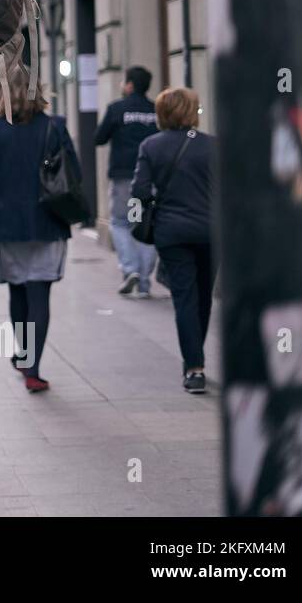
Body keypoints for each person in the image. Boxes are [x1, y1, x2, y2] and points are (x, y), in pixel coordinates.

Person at [0, 77, 80, 393]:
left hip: (9, 222)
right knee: (39, 295)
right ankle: (32, 367)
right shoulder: (56, 127)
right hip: (48, 220)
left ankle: (24, 353)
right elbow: (72, 172)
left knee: (17, 291)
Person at [132, 87, 217, 394]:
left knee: (184, 297)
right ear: (192, 111)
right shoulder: (212, 145)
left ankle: (194, 367)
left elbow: (139, 191)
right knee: (204, 296)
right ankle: (196, 358)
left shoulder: (150, 146)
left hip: (171, 232)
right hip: (210, 231)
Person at [95, 65, 159, 296]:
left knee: (121, 223)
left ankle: (130, 268)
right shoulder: (156, 110)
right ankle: (143, 282)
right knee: (145, 224)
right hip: (150, 178)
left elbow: (99, 138)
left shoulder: (116, 109)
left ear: (130, 85)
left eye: (123, 82)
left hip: (123, 176)